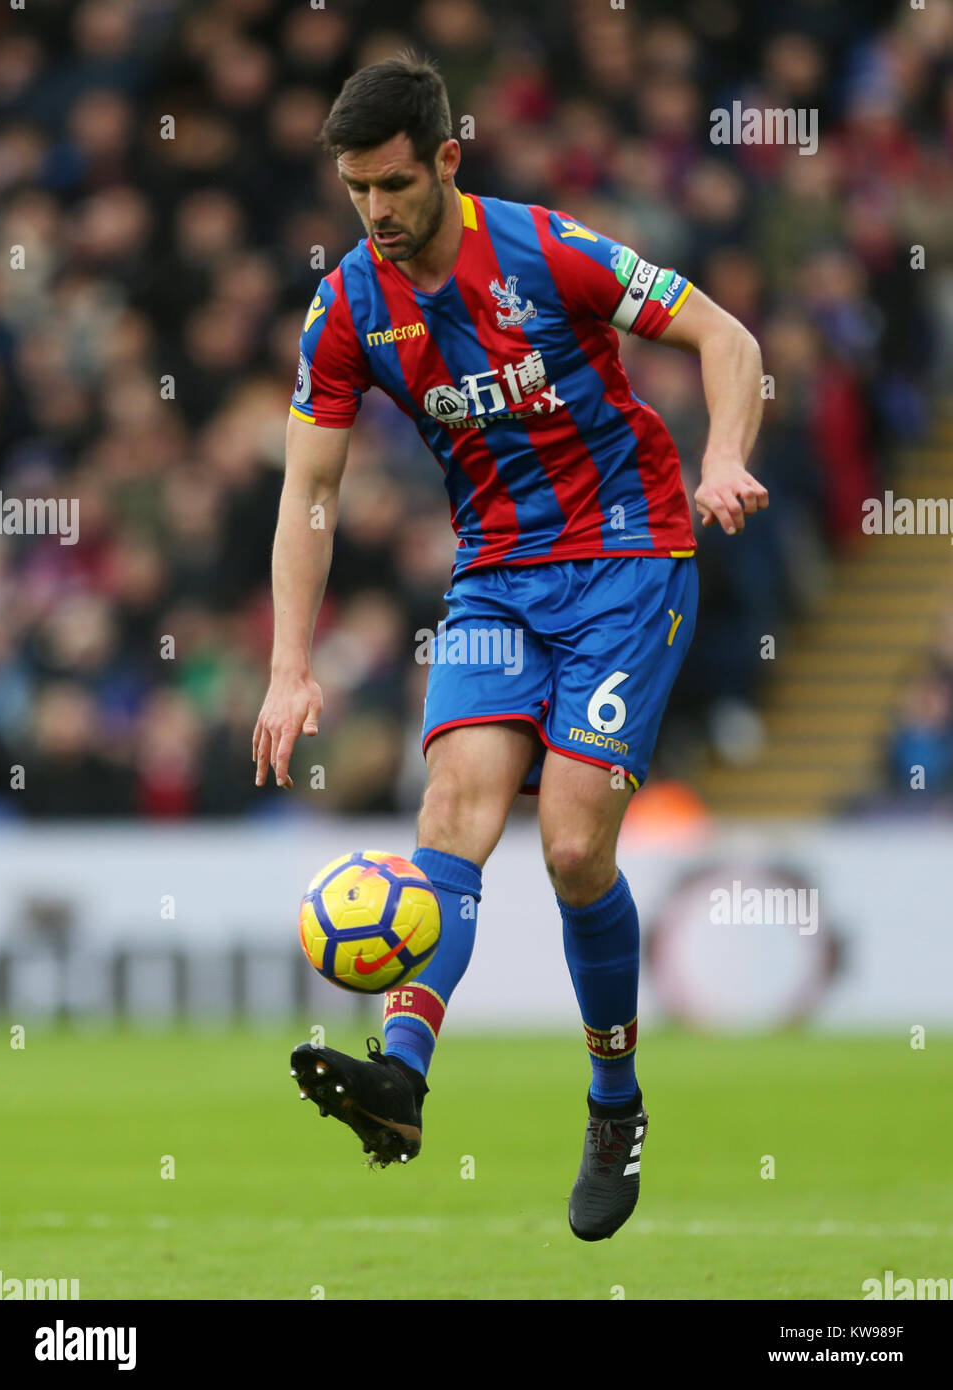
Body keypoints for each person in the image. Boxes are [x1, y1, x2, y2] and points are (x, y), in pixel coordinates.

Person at [253, 51, 767, 1241]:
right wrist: (289, 663)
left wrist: (724, 457)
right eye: (353, 192)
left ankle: (612, 1097)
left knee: (575, 843)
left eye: (392, 185)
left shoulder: (545, 251)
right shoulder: (344, 308)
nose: (375, 213)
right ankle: (402, 1080)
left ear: (445, 158)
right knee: (452, 809)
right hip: (494, 583)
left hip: (629, 560)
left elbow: (726, 337)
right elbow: (308, 493)